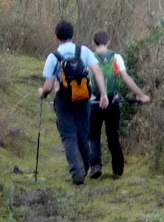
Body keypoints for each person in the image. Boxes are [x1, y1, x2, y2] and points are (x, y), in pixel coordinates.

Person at [39, 20, 109, 184]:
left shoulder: (53, 57)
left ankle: (77, 172)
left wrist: (42, 93)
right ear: (72, 34)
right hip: (83, 98)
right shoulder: (83, 51)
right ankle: (84, 167)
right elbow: (97, 71)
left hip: (63, 100)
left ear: (57, 36)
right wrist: (103, 94)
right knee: (82, 133)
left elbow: (48, 86)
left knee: (68, 135)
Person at [86, 30, 149, 179]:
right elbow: (126, 78)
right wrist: (141, 95)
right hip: (113, 102)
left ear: (93, 43)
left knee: (93, 135)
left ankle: (95, 166)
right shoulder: (116, 58)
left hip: (94, 103)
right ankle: (118, 170)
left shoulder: (89, 58)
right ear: (108, 42)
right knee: (112, 135)